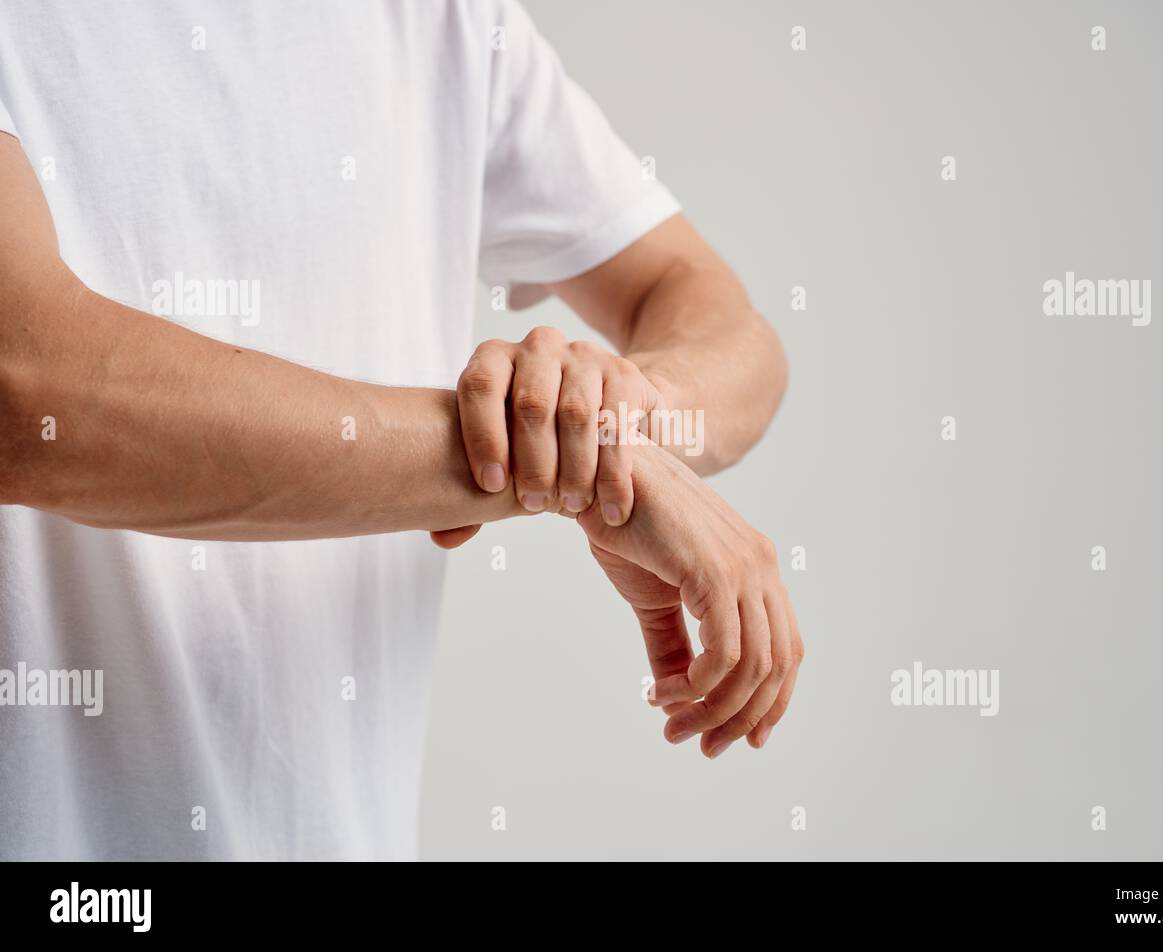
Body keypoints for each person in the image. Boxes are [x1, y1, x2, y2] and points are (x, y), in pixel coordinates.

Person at [0, 0, 802, 860]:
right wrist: (550, 457)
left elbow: (723, 323)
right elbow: (32, 391)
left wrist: (611, 425)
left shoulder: (447, 19)